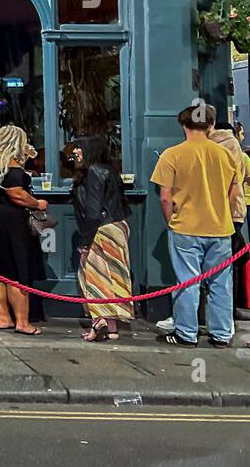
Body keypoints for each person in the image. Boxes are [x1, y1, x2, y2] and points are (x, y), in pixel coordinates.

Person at [151, 101, 240, 348]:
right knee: (220, 284)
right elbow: (234, 192)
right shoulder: (225, 155)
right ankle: (221, 334)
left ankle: (186, 334)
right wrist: (223, 213)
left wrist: (171, 221)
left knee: (188, 282)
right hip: (220, 229)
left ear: (184, 125)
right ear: (210, 126)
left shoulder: (172, 155)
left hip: (186, 228)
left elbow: (165, 196)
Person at [0, 125, 48, 335]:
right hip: (12, 220)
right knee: (17, 272)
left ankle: (3, 317)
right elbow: (17, 194)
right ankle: (23, 323)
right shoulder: (12, 164)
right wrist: (38, 204)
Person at [71, 136, 132, 341]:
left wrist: (84, 243)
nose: (76, 152)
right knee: (112, 277)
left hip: (102, 230)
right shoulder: (109, 170)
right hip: (115, 227)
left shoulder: (95, 172)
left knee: (94, 277)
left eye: (80, 147)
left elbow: (93, 212)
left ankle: (99, 324)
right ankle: (112, 327)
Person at [211, 120, 250, 316]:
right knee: (229, 267)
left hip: (208, 214)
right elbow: (235, 182)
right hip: (232, 214)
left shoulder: (207, 146)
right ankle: (229, 312)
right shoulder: (233, 146)